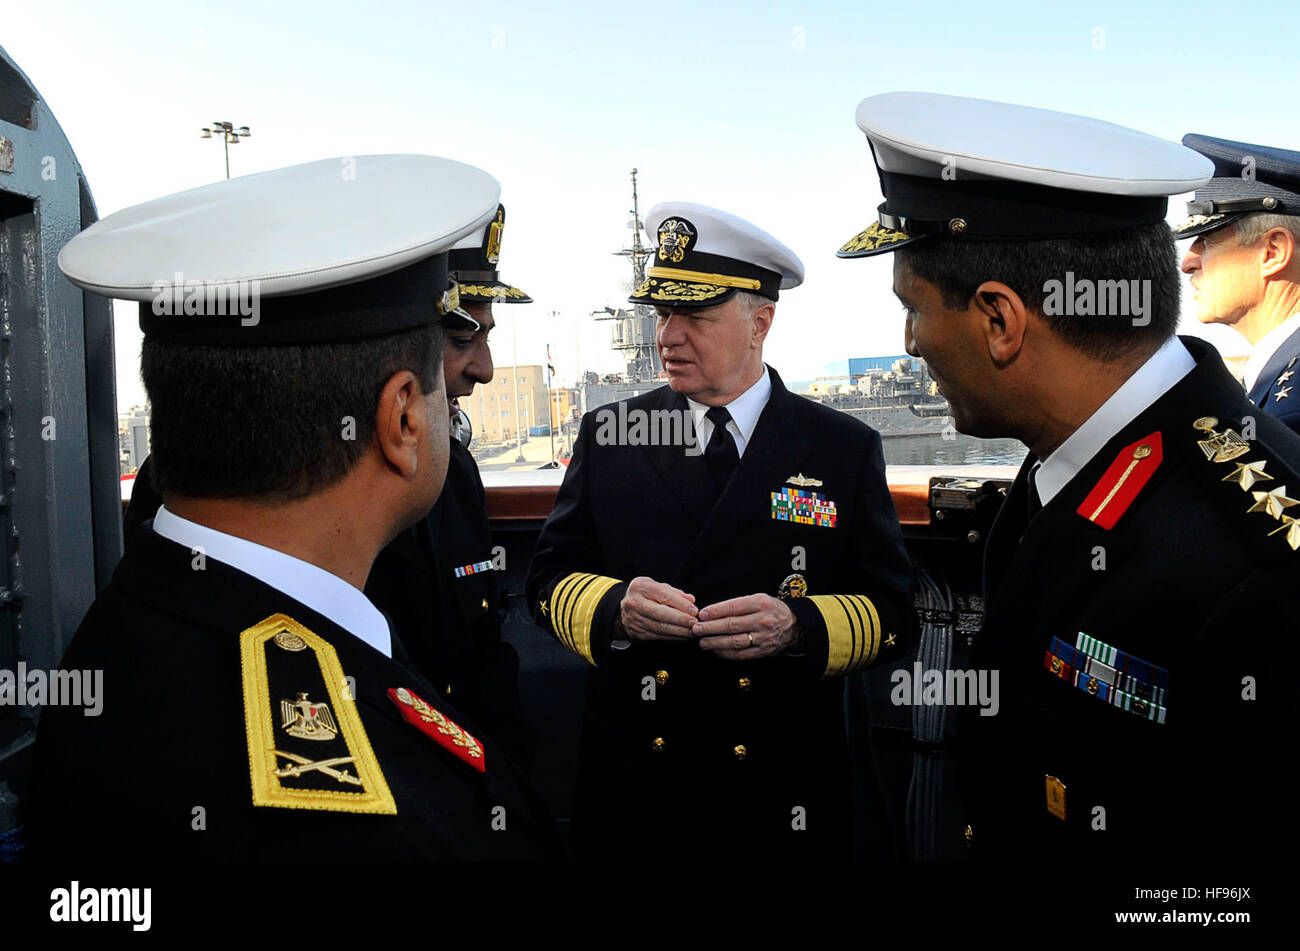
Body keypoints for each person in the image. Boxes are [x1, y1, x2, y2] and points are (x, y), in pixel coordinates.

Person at [30, 156, 562, 860]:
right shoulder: (367, 827)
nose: (484, 370)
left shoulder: (125, 633)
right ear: (400, 419)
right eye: (445, 362)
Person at [838, 92, 1290, 862]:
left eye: (912, 309)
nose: (909, 342)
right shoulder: (1068, 465)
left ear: (1000, 321)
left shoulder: (1262, 570)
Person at [525, 201, 915, 860]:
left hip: (782, 788)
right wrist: (616, 608)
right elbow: (545, 581)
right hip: (641, 787)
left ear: (761, 321)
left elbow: (895, 611)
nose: (667, 337)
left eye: (694, 317)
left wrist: (798, 626)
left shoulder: (840, 448)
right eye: (661, 315)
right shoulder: (611, 435)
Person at [365, 204, 537, 765]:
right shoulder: (305, 490)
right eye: (463, 339)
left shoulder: (455, 474)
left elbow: (482, 658)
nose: (485, 369)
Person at [1176, 134, 1300, 434]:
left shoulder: (1292, 408)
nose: (1188, 263)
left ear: (1272, 252)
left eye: (1207, 241)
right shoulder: (1284, 378)